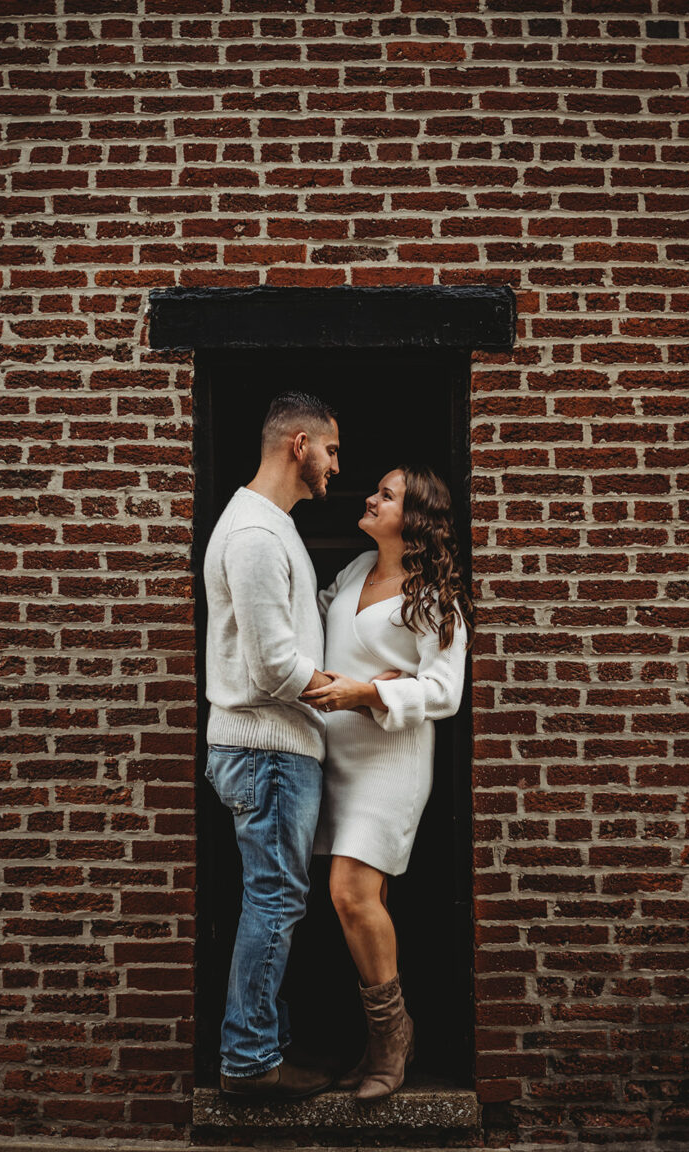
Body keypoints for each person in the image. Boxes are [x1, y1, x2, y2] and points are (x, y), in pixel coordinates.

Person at [301, 465, 472, 1102]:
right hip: (331, 754)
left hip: (389, 761)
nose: (371, 498)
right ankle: (373, 1038)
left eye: (388, 495)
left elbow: (444, 691)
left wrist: (367, 691)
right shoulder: (352, 572)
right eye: (378, 490)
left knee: (350, 891)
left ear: (416, 517)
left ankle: (392, 1037)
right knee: (344, 899)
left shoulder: (433, 596)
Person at [203, 391, 340, 1099]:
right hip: (269, 751)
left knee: (274, 898)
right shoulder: (256, 534)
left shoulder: (270, 527)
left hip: (273, 752)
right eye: (332, 450)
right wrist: (343, 691)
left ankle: (264, 1049)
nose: (335, 467)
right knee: (276, 901)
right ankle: (251, 1064)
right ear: (298, 445)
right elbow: (271, 668)